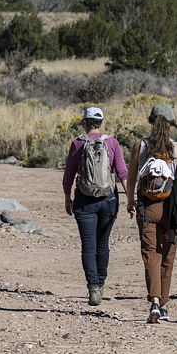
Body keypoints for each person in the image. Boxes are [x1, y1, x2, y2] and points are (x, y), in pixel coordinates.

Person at [125, 103, 177, 324]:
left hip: (147, 208)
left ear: (151, 122)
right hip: (172, 210)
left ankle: (155, 302)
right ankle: (165, 305)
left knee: (150, 253)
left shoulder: (139, 147)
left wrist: (130, 201)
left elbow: (131, 179)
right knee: (167, 256)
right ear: (170, 124)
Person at [62, 106, 128, 306]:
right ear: (101, 124)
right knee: (103, 244)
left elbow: (68, 175)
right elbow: (122, 173)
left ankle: (93, 288)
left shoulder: (77, 144)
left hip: (84, 199)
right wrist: (131, 199)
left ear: (85, 122)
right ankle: (101, 284)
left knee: (88, 246)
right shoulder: (112, 142)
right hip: (108, 200)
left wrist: (67, 197)